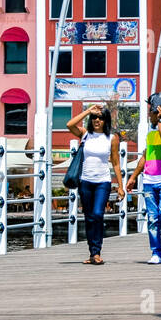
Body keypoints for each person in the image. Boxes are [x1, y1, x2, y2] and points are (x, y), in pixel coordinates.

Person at [125, 94, 161, 264]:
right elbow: (146, 155)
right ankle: (156, 252)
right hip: (149, 180)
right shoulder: (149, 129)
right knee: (152, 218)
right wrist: (133, 176)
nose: (149, 115)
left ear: (160, 113)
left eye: (151, 112)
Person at [68, 103, 123, 265]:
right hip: (85, 181)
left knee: (98, 214)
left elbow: (116, 163)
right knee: (89, 217)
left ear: (106, 120)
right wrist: (87, 111)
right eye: (94, 118)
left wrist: (120, 186)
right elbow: (69, 125)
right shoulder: (85, 134)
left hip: (102, 182)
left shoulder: (112, 138)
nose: (97, 120)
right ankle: (93, 253)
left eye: (100, 118)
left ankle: (97, 251)